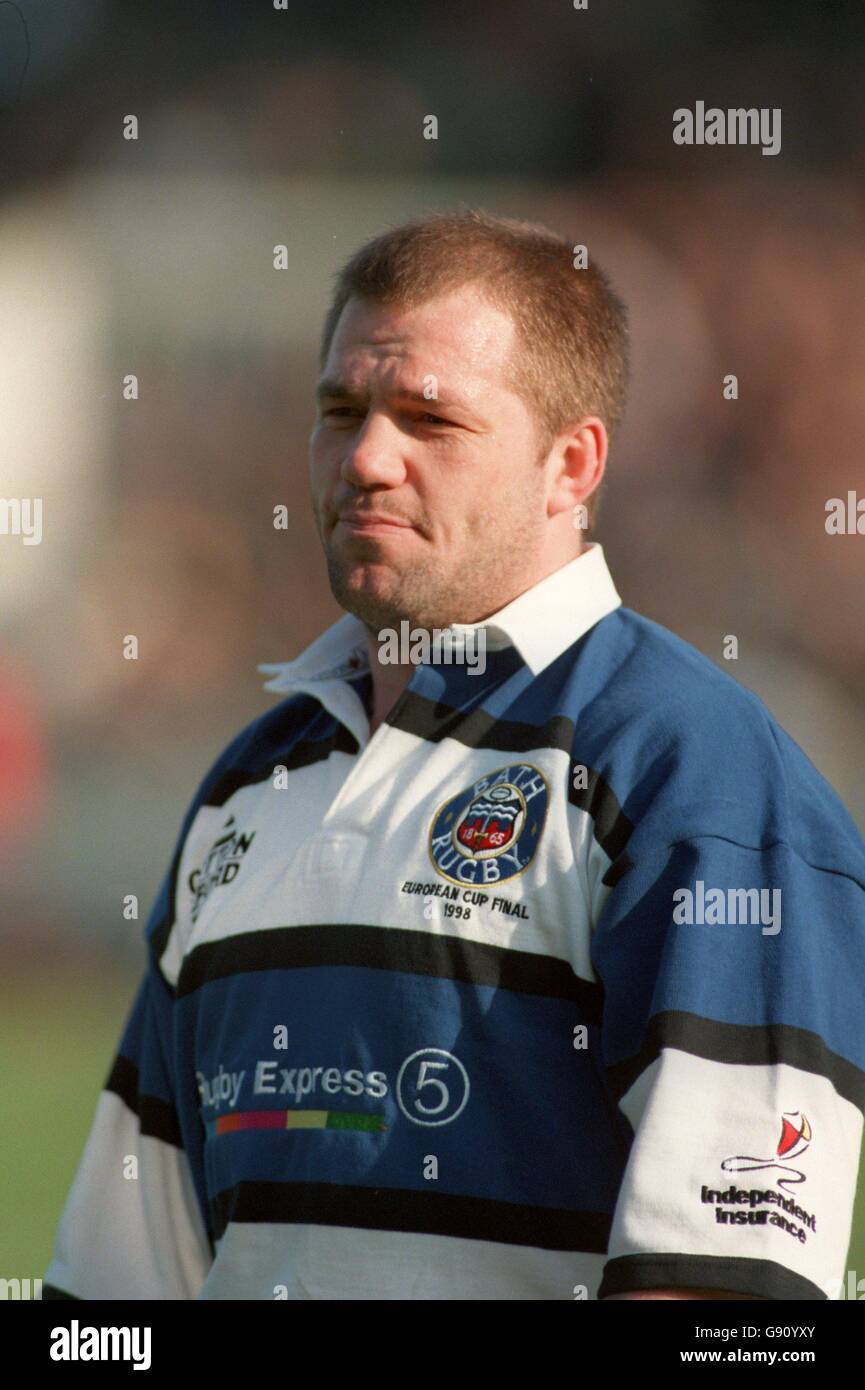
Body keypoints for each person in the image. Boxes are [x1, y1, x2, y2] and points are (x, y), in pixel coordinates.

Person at [44, 209, 865, 1300]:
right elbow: (118, 1290)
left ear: (570, 464)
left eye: (429, 418)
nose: (368, 457)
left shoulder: (697, 776)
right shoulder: (249, 782)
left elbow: (722, 1294)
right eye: (341, 411)